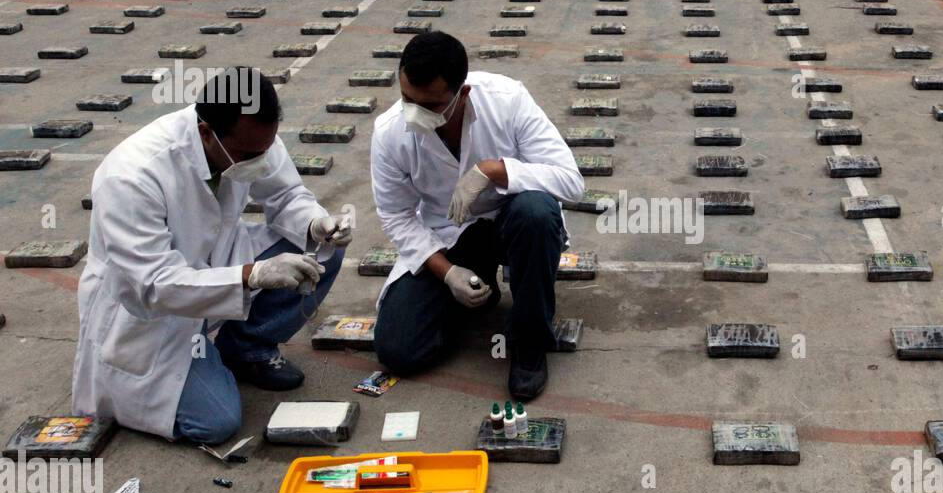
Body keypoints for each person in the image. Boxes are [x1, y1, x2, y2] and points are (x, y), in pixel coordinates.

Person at [72, 68, 352, 445]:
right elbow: (155, 285)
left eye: (265, 150)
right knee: (216, 422)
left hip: (214, 263)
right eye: (248, 155)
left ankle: (245, 349)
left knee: (320, 252)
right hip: (147, 313)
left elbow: (285, 196)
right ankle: (185, 366)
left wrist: (316, 223)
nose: (259, 160)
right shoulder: (132, 176)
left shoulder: (252, 139)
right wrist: (252, 275)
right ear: (206, 132)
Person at [370, 31, 584, 400]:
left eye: (431, 104)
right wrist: (447, 272)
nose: (414, 113)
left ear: (462, 94)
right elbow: (396, 215)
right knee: (399, 351)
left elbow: (570, 182)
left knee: (536, 211)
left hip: (512, 223)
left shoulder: (507, 100)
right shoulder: (390, 133)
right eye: (407, 98)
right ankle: (474, 291)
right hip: (449, 236)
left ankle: (528, 342)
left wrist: (494, 171)